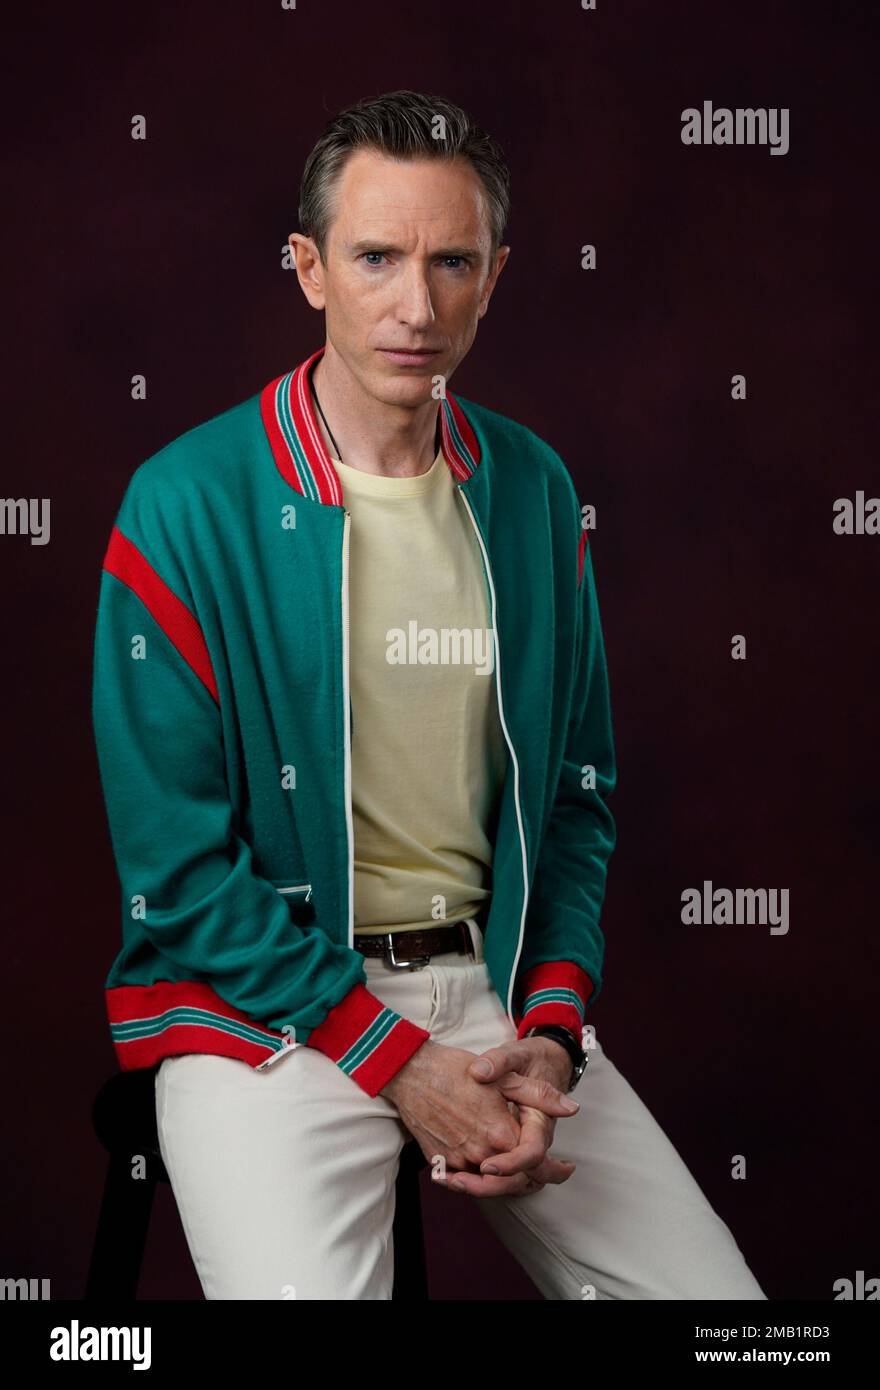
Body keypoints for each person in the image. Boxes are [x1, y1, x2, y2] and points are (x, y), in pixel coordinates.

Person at [92, 88, 767, 1300]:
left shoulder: (535, 491)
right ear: (308, 268)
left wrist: (552, 1037)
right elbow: (175, 867)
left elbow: (574, 798)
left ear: (494, 276)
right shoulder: (183, 503)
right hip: (263, 1013)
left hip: (490, 993)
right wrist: (391, 1060)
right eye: (375, 257)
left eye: (452, 261)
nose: (417, 305)